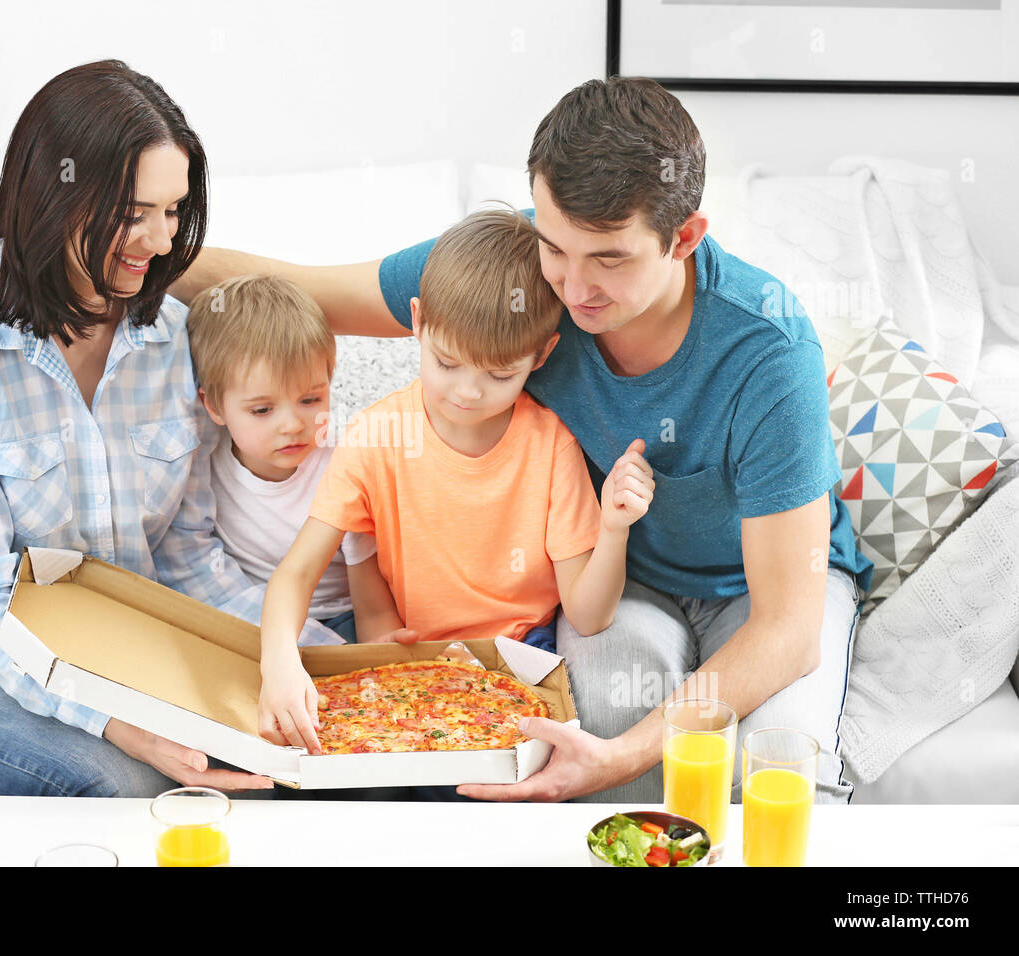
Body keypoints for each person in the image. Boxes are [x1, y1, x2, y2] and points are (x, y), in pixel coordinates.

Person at [170, 77, 873, 805]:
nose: (572, 288)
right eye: (555, 247)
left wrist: (622, 756)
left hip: (756, 593)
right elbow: (298, 289)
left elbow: (786, 631)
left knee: (780, 775)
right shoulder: (511, 285)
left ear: (684, 237)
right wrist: (136, 255)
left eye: (608, 258)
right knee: (597, 711)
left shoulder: (767, 350)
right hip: (625, 577)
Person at [0, 60, 327, 799]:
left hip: (133, 658)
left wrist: (315, 658)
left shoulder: (173, 343)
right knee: (124, 786)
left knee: (310, 753)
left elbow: (187, 558)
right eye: (133, 212)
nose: (160, 240)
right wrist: (116, 721)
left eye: (173, 209)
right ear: (55, 198)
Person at [256, 207, 654, 755]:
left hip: (523, 657)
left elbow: (587, 616)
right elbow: (295, 574)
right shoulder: (377, 434)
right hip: (412, 660)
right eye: (445, 363)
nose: (468, 392)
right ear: (416, 322)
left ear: (541, 354)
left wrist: (614, 529)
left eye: (498, 375)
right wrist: (278, 662)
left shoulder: (551, 443)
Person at [184, 273, 392, 645]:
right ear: (213, 406)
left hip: (339, 618)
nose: (293, 425)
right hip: (250, 615)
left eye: (310, 400)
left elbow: (373, 606)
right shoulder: (202, 466)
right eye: (263, 409)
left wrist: (380, 659)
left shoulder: (341, 466)